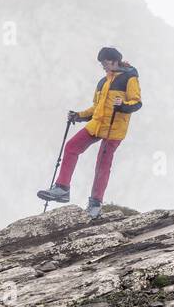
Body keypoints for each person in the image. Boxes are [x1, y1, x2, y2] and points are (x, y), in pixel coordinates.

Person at [38, 47, 142, 218]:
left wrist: (122, 105)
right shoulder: (103, 82)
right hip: (97, 125)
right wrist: (78, 116)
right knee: (71, 146)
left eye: (104, 62)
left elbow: (136, 103)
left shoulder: (129, 77)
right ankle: (62, 189)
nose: (102, 65)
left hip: (113, 129)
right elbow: (96, 108)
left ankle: (95, 203)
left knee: (102, 164)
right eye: (101, 63)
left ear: (114, 60)